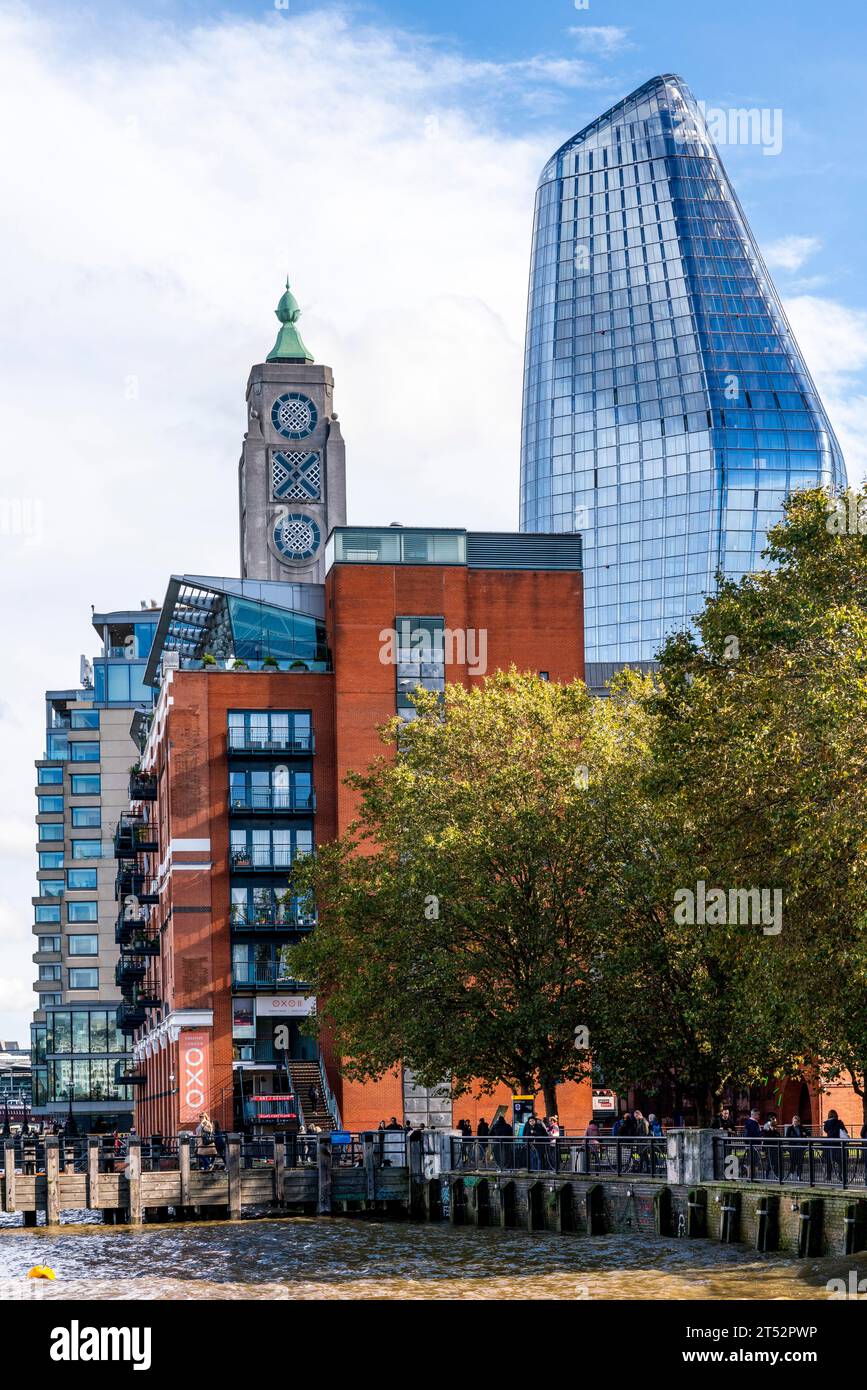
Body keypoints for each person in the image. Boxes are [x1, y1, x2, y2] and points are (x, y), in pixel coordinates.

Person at [823, 1109, 848, 1181]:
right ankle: (840, 1176)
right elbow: (845, 1131)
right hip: (838, 1145)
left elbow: (825, 1130)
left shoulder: (827, 1123)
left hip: (829, 1145)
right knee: (840, 1162)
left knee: (829, 1162)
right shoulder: (839, 1122)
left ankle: (829, 1177)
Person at [784, 1115, 805, 1181]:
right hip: (793, 1147)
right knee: (793, 1162)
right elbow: (787, 1137)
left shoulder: (801, 1127)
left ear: (799, 1122)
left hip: (800, 1147)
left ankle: (799, 1176)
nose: (795, 1123)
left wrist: (804, 1134)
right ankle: (791, 1174)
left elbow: (807, 1133)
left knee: (800, 1162)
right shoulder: (790, 1128)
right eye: (794, 1121)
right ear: (792, 1121)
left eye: (797, 1121)